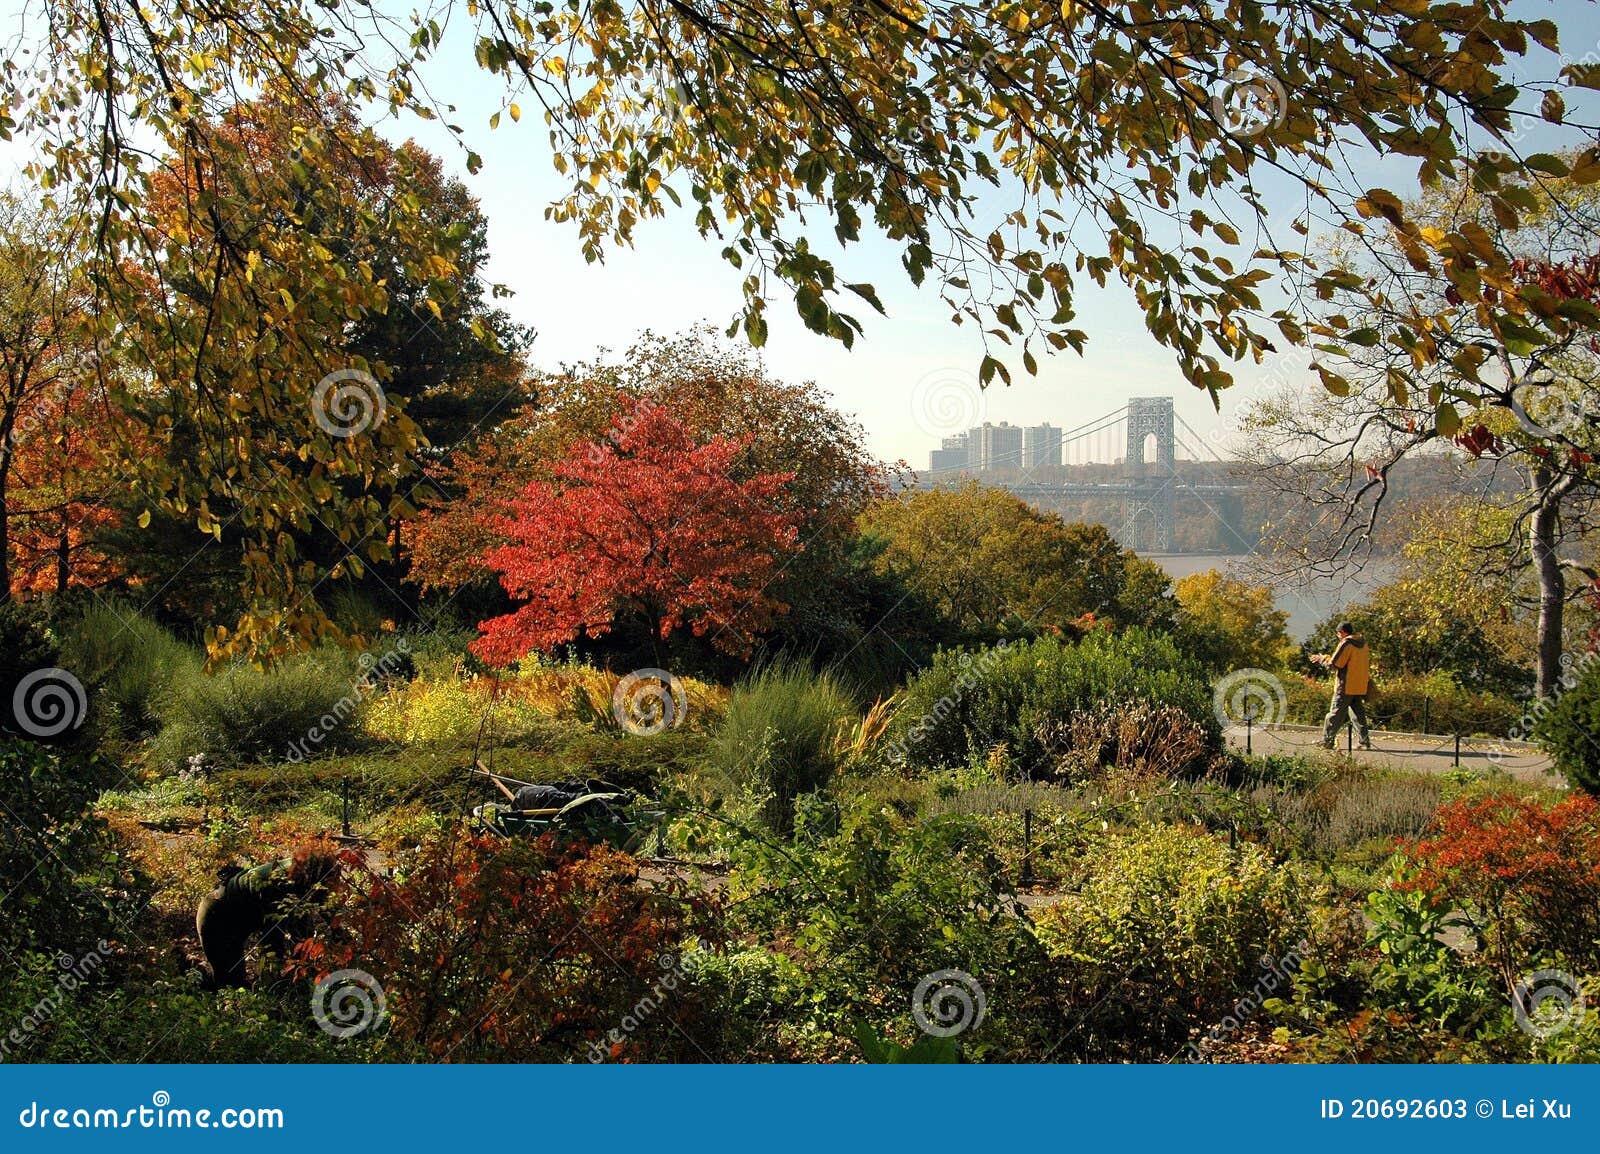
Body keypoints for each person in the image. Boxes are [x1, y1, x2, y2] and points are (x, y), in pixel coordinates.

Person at [195, 849, 341, 989]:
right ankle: (192, 970)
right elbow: (272, 940)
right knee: (229, 984)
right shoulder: (279, 883)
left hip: (239, 919)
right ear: (314, 877)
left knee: (236, 981)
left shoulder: (306, 878)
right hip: (216, 917)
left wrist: (341, 937)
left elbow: (323, 907)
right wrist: (282, 977)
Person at [1312, 621, 1372, 751]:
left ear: (1343, 632)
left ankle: (1327, 741)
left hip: (1345, 686)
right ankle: (1364, 741)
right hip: (1359, 685)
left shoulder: (1346, 643)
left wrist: (1322, 658)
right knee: (1358, 715)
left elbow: (1335, 664)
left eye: (1338, 633)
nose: (1338, 636)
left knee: (1334, 714)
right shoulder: (1363, 643)